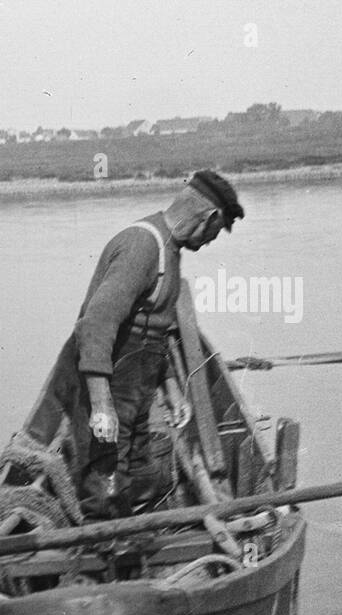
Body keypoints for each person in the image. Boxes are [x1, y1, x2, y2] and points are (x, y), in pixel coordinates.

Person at [74, 170, 243, 519]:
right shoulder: (144, 246)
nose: (212, 241)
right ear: (209, 218)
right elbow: (96, 323)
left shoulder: (171, 252)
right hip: (113, 383)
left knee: (137, 474)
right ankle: (106, 550)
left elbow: (155, 330)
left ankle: (130, 542)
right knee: (107, 479)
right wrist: (101, 403)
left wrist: (171, 388)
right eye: (217, 230)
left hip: (138, 389)